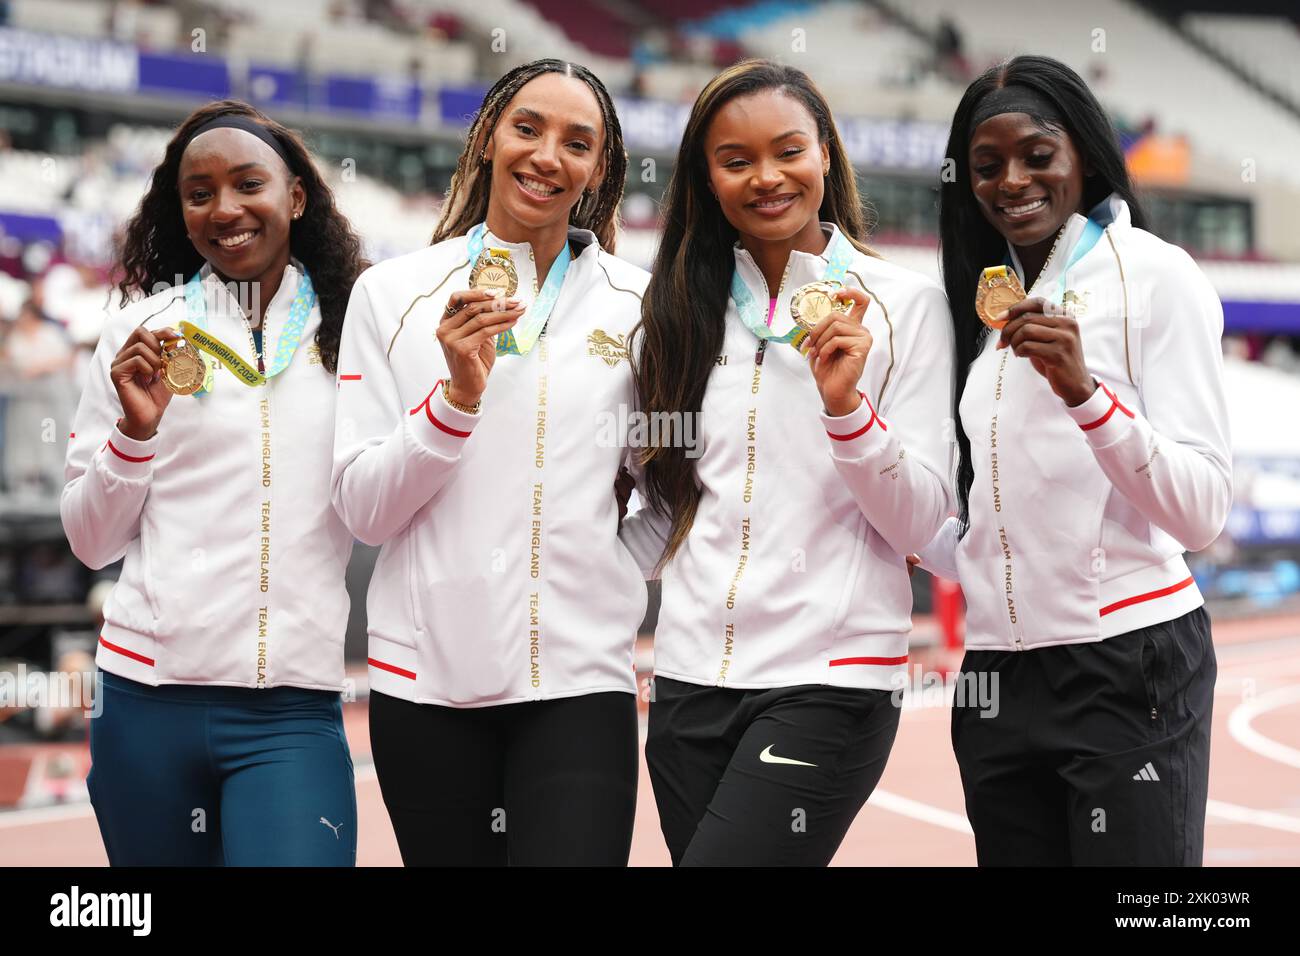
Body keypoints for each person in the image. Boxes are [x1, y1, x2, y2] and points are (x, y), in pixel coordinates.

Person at [621, 59, 955, 866]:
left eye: (788, 151)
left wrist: (848, 411)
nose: (766, 178)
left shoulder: (905, 307)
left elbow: (921, 519)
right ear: (706, 178)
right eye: (735, 161)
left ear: (827, 155)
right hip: (690, 683)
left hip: (828, 680)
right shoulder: (671, 314)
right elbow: (664, 508)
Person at [332, 59, 647, 866]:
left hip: (580, 679)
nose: (548, 155)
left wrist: (613, 560)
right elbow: (363, 510)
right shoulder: (392, 294)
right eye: (528, 128)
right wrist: (453, 404)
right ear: (486, 139)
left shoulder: (641, 306)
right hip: (424, 683)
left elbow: (679, 487)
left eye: (578, 142)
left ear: (599, 170)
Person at [919, 55, 1231, 865]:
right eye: (986, 166)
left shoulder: (1158, 278)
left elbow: (1202, 510)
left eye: (1037, 155)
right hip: (995, 676)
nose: (1011, 181)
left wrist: (1087, 395)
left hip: (1129, 663)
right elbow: (965, 522)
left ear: (1084, 156)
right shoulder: (975, 301)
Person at [61, 100, 366, 866]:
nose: (225, 209)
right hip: (145, 703)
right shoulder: (143, 335)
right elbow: (91, 540)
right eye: (199, 194)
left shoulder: (355, 329)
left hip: (290, 712)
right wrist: (134, 437)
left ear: (294, 197)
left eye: (247, 185)